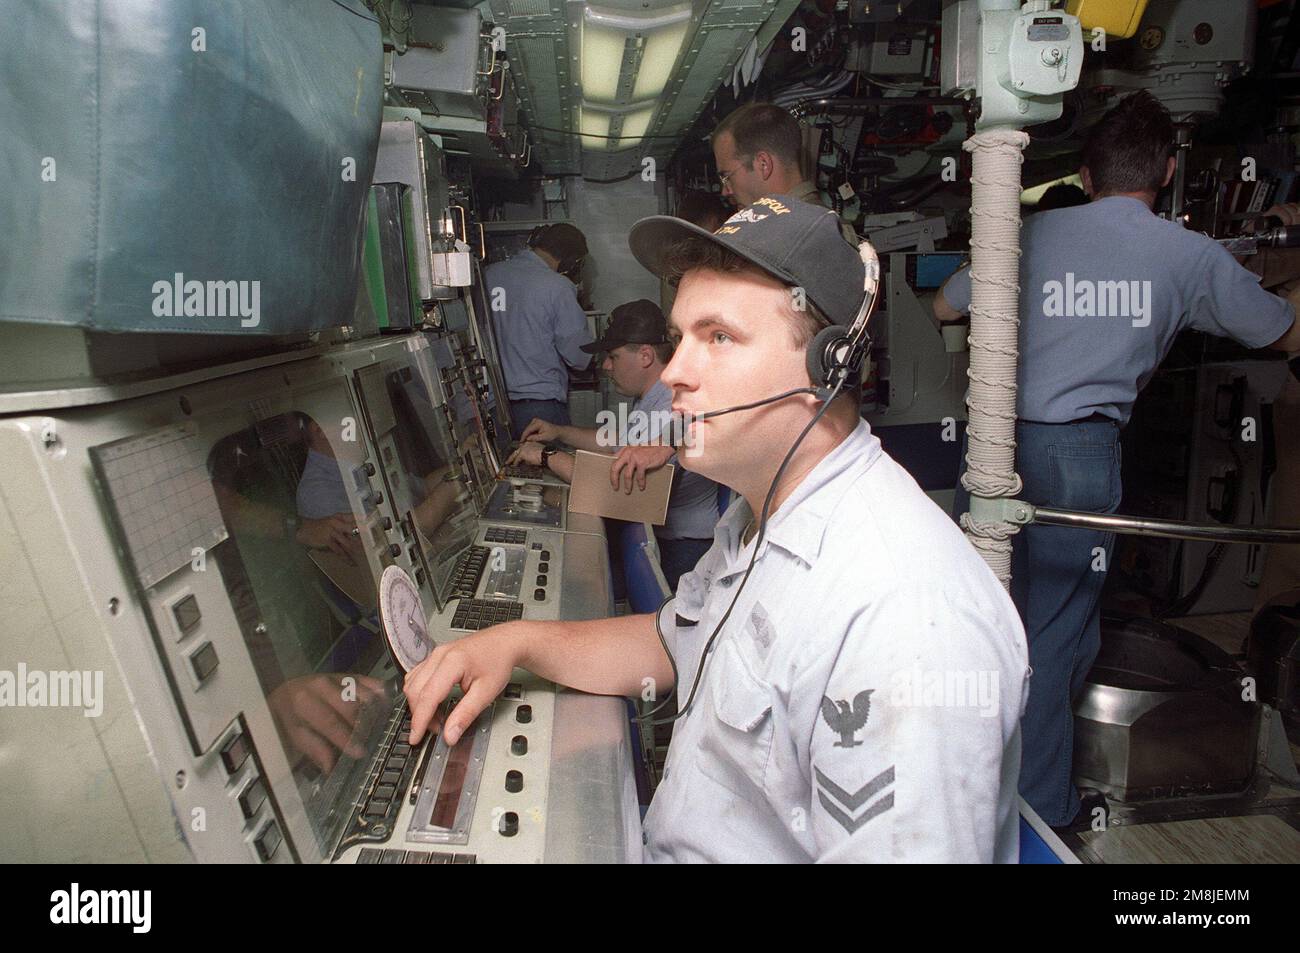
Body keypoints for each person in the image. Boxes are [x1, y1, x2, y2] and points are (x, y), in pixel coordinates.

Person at [406, 197, 1028, 862]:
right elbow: (670, 639)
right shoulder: (757, 514)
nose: (675, 372)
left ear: (828, 367)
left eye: (720, 337)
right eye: (680, 339)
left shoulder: (903, 618)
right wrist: (516, 641)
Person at [934, 90, 1300, 827]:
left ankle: (977, 788)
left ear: (1090, 174)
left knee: (1004, 621)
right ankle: (1041, 811)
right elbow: (1279, 332)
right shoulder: (1186, 254)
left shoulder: (1029, 231)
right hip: (1079, 453)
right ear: (1166, 172)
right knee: (1055, 633)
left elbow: (946, 306)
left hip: (993, 444)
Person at [510, 299, 720, 590]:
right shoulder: (652, 397)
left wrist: (547, 457)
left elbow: (621, 491)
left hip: (682, 553)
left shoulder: (671, 406)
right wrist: (558, 431)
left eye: (613, 356)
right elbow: (615, 442)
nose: (606, 366)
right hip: (654, 537)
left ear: (645, 355)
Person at [483, 223, 595, 437]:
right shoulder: (558, 286)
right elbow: (579, 356)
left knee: (503, 470)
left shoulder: (489, 275)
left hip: (493, 406)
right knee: (546, 467)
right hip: (539, 407)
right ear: (572, 261)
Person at [711, 102, 857, 244]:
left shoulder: (806, 233)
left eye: (727, 176)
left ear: (763, 164)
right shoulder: (822, 226)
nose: (725, 191)